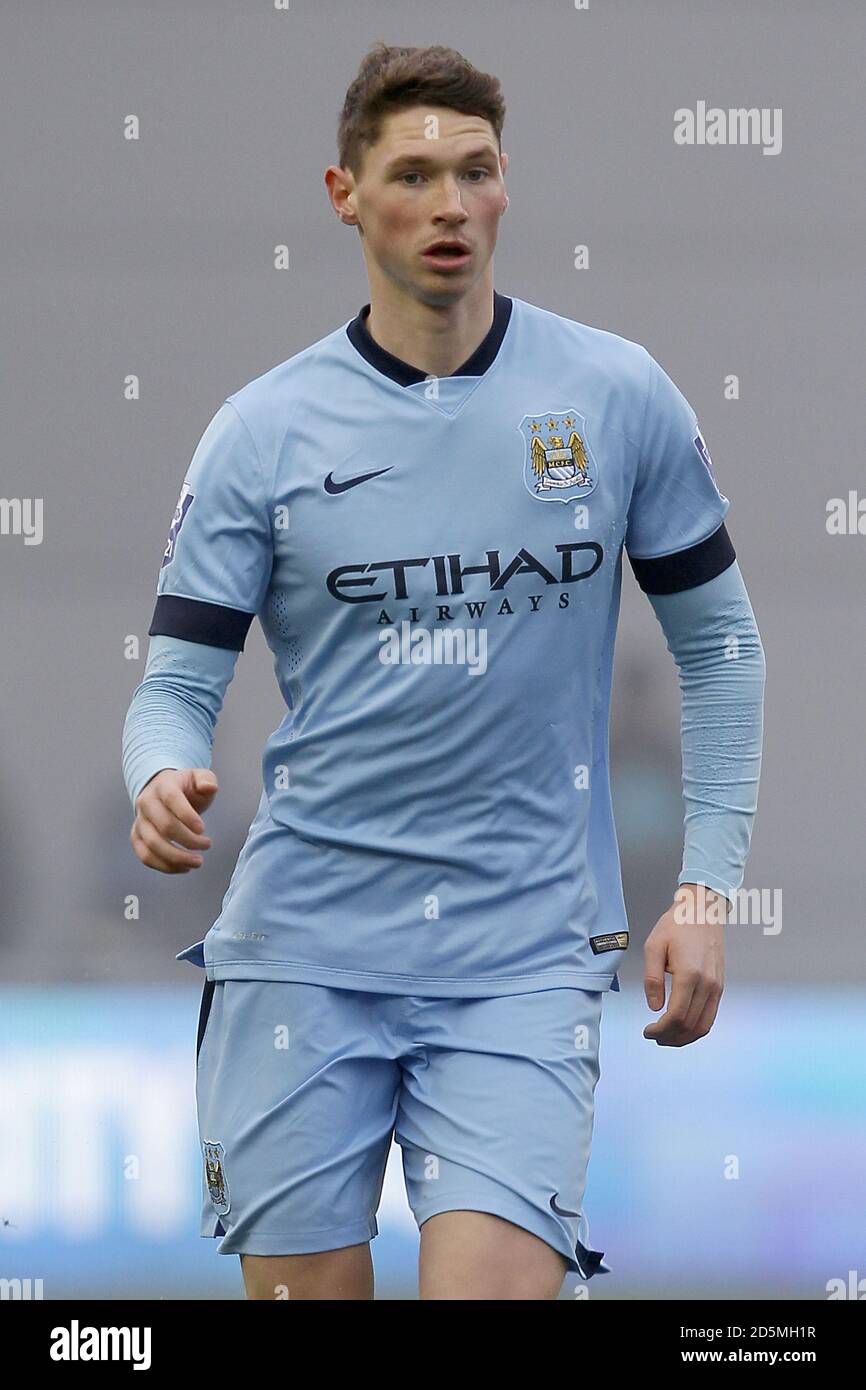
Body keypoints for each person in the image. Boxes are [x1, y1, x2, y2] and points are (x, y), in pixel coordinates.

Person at [121, 41, 765, 1300]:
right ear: (343, 192)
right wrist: (160, 772)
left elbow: (722, 651)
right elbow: (175, 685)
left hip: (521, 958)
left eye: (473, 172)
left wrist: (706, 889)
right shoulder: (264, 432)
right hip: (302, 950)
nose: (447, 205)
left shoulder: (613, 395)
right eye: (410, 174)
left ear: (505, 187)